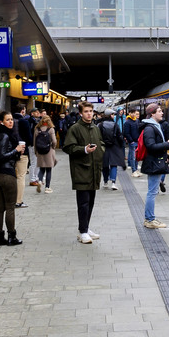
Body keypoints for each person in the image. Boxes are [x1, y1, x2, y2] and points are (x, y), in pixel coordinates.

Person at [62, 103, 104, 243]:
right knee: (83, 203)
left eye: (91, 111)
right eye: (86, 111)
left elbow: (102, 143)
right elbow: (68, 147)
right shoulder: (75, 129)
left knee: (90, 201)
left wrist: (100, 151)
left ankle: (85, 227)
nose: (89, 114)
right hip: (81, 170)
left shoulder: (95, 128)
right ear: (80, 113)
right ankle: (83, 231)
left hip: (94, 170)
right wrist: (84, 150)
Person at [0, 112, 26, 246]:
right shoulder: (5, 136)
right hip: (7, 175)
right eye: (7, 120)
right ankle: (12, 236)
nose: (11, 122)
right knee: (10, 207)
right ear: (1, 122)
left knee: (0, 207)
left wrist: (16, 152)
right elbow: (2, 156)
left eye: (11, 120)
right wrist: (16, 150)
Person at [139, 103, 169, 229]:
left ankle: (150, 218)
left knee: (152, 191)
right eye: (159, 111)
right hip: (153, 163)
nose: (162, 113)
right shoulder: (150, 128)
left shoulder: (154, 126)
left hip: (156, 161)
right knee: (152, 192)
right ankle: (149, 219)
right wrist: (168, 144)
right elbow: (151, 146)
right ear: (152, 113)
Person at [98, 108, 124, 191]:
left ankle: (105, 182)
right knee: (114, 164)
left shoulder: (100, 125)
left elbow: (98, 136)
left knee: (104, 165)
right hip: (114, 146)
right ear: (110, 115)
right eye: (113, 114)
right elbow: (120, 136)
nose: (114, 116)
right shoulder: (115, 125)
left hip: (103, 147)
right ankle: (113, 182)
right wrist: (121, 145)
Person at [13, 105, 32, 208]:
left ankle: (10, 199)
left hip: (11, 152)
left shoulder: (10, 120)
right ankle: (18, 201)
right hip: (22, 152)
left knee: (12, 176)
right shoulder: (24, 121)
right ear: (22, 111)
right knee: (21, 176)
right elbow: (29, 138)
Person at [33, 114, 57, 194]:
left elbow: (34, 142)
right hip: (49, 151)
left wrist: (36, 151)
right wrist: (53, 147)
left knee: (41, 169)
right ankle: (47, 187)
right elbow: (54, 141)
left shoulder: (37, 129)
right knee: (49, 170)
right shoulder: (51, 129)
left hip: (40, 151)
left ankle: (39, 181)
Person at [124, 108, 143, 177]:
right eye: (131, 113)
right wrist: (131, 141)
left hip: (137, 141)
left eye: (134, 113)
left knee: (137, 157)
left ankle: (136, 170)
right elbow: (126, 133)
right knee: (133, 157)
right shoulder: (127, 122)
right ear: (129, 113)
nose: (133, 114)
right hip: (132, 142)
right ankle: (133, 171)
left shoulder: (137, 121)